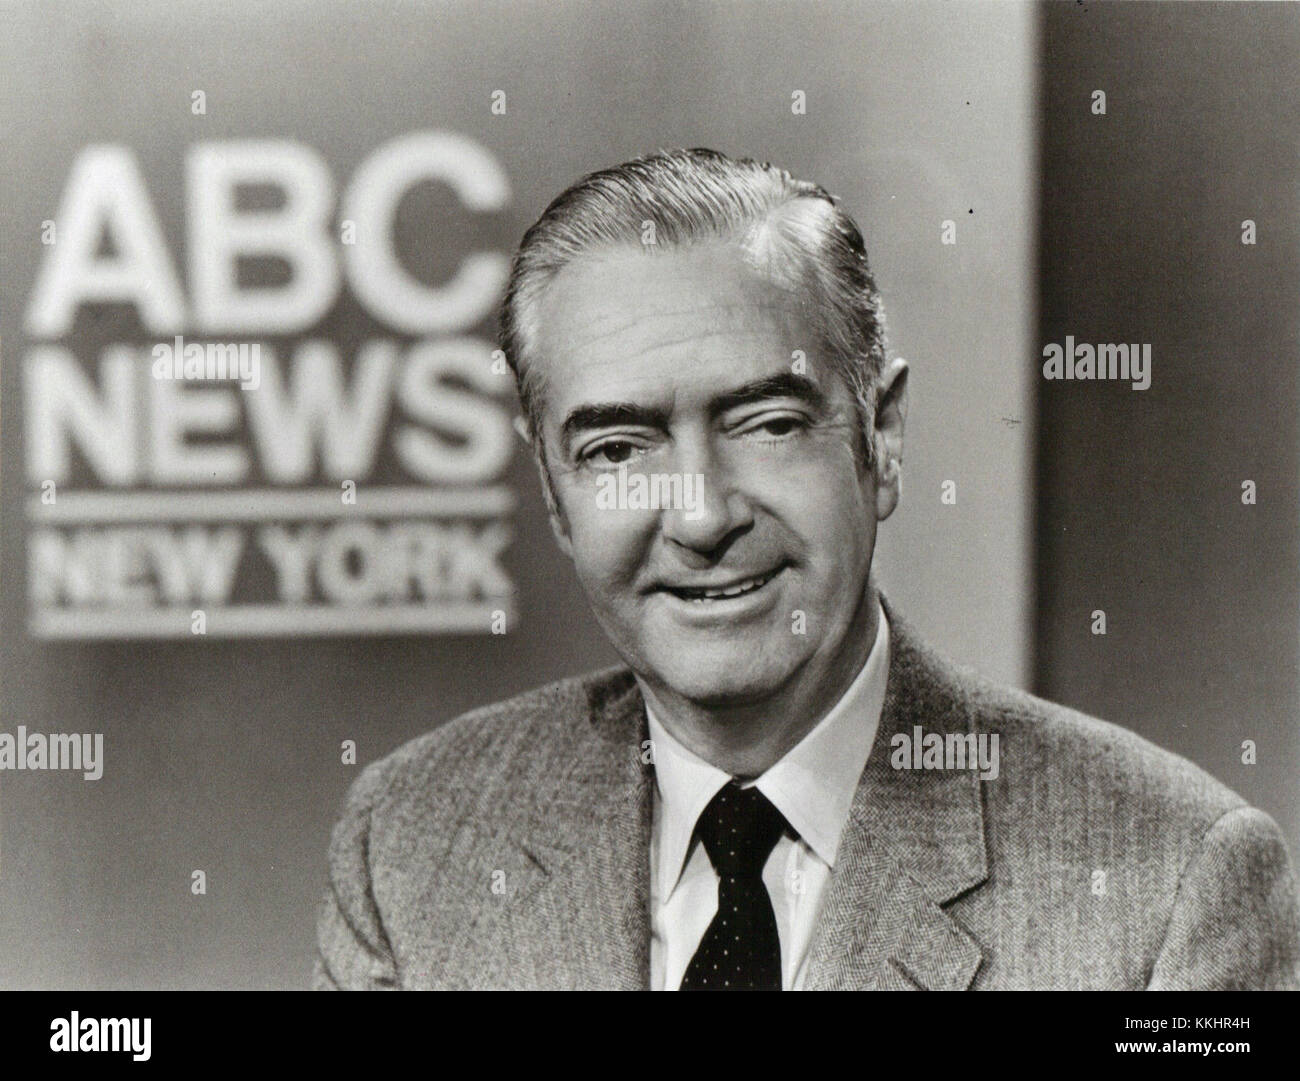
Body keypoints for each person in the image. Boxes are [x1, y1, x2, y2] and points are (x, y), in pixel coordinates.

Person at [314, 148, 1300, 990]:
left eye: (769, 425)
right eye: (618, 449)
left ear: (883, 438)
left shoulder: (1168, 884)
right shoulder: (411, 843)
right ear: (552, 492)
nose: (699, 515)